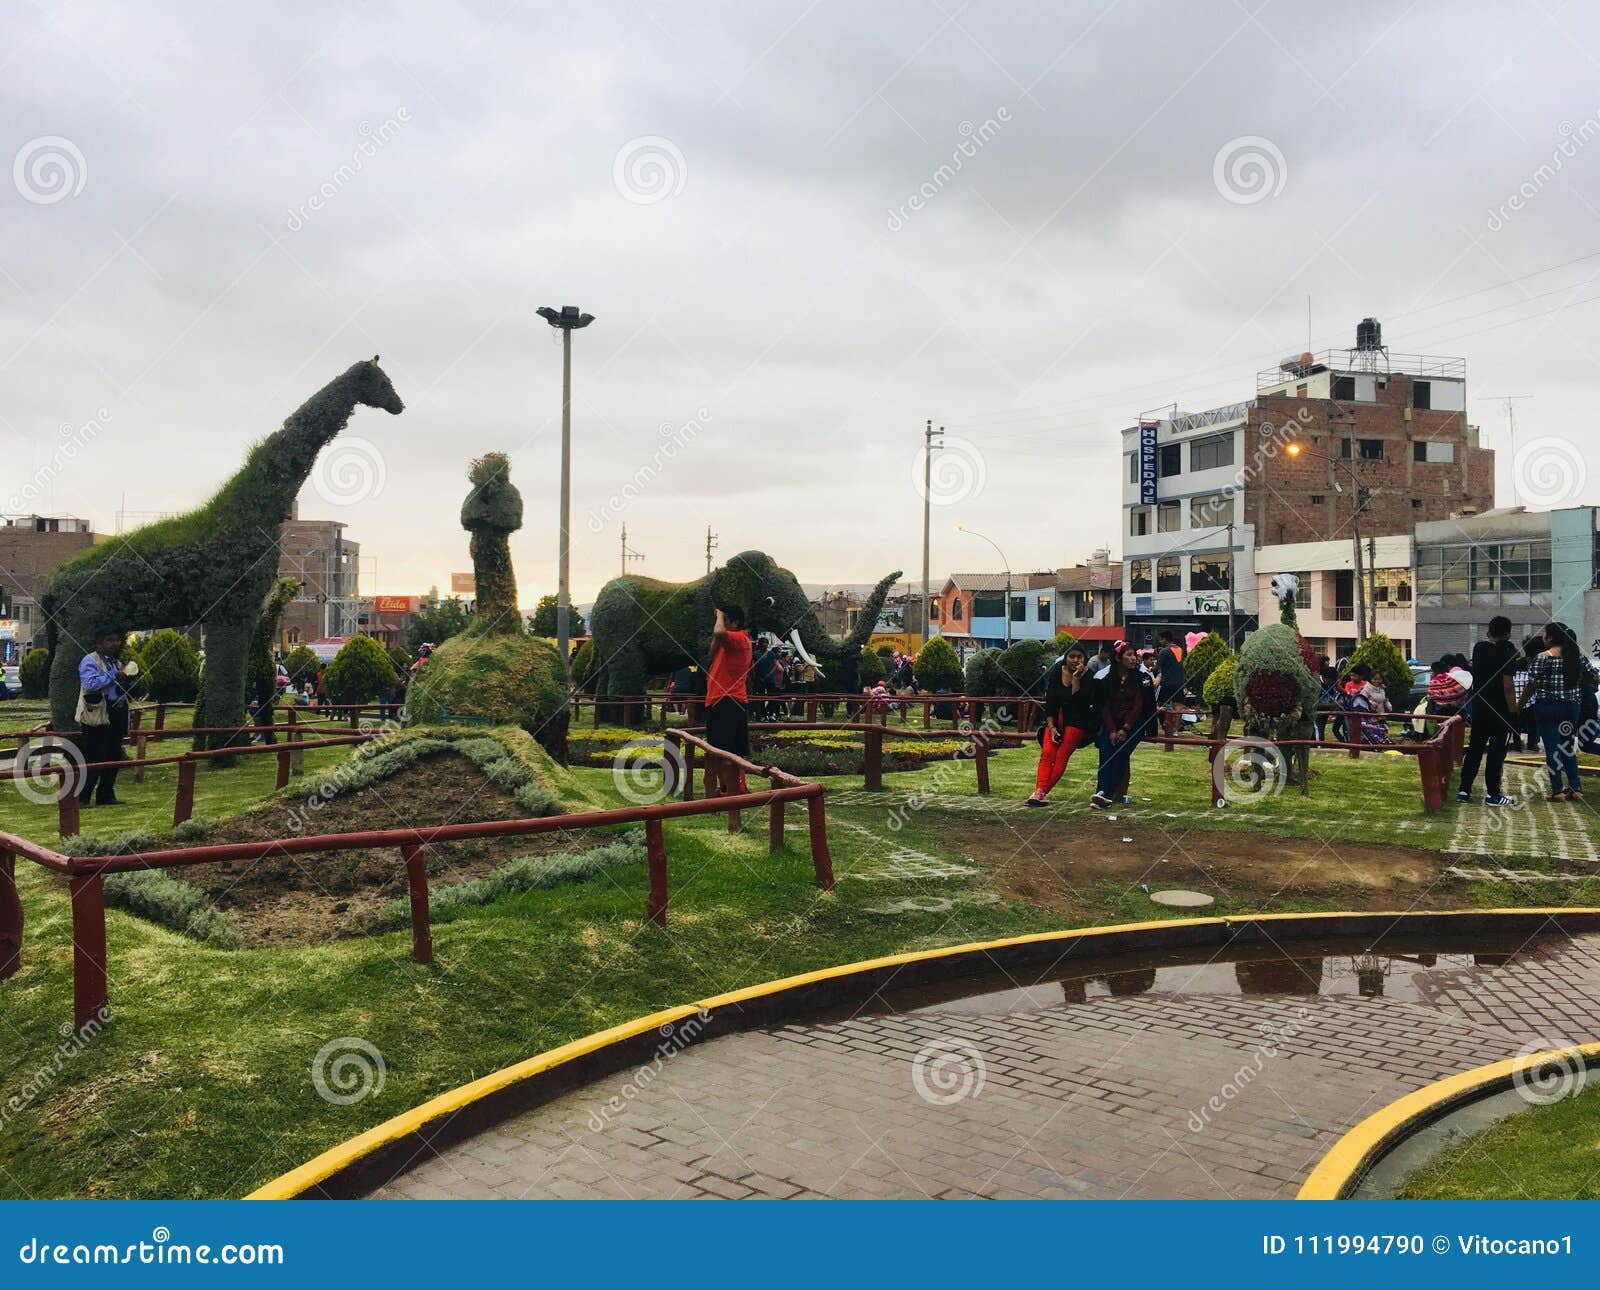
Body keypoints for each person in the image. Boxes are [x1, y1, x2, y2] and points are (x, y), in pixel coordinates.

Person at [1518, 620, 1591, 802]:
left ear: (1550, 638)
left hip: (1548, 708)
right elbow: (1594, 674)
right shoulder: (1576, 655)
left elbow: (1531, 685)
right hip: (1571, 708)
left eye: (1544, 634)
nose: (1543, 637)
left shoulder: (1543, 657)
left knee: (1552, 748)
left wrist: (1519, 705)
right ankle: (1575, 789)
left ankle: (1558, 790)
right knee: (1567, 747)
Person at [1457, 615, 1519, 807]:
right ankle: (1493, 794)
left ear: (1488, 632)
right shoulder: (1509, 653)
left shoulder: (1479, 648)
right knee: (1496, 752)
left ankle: (1464, 790)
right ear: (1508, 634)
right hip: (1500, 709)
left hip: (1481, 707)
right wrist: (1514, 711)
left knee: (1475, 749)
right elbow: (1508, 686)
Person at [1028, 643, 1100, 806]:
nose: (1075, 660)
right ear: (1066, 657)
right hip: (1056, 719)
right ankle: (1039, 791)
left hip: (1077, 721)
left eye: (1079, 657)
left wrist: (1076, 679)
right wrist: (1052, 727)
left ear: (1084, 659)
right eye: (1071, 656)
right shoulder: (1057, 670)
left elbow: (1079, 703)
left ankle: (1041, 792)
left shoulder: (1089, 676)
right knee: (1047, 753)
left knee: (1061, 756)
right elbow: (1051, 701)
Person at [1091, 641, 1156, 809]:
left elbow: (1139, 706)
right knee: (1106, 751)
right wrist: (1112, 729)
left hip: (1134, 724)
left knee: (1120, 753)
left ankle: (1108, 793)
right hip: (1110, 722)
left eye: (1134, 655)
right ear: (1118, 658)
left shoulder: (1142, 679)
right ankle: (1100, 792)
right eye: (1129, 655)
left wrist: (1125, 728)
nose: (1133, 658)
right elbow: (1103, 705)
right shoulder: (1106, 678)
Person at [75, 626, 134, 807]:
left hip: (115, 713)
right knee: (94, 757)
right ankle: (83, 797)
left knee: (113, 756)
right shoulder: (89, 660)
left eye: (116, 640)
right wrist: (112, 676)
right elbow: (90, 684)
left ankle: (106, 795)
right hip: (96, 716)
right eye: (109, 640)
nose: (114, 644)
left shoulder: (115, 662)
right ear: (99, 644)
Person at [704, 605, 753, 796]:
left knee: (722, 753)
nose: (720, 624)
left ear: (734, 622)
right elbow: (713, 648)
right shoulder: (731, 643)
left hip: (725, 701)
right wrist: (721, 617)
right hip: (730, 700)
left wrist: (720, 614)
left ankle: (730, 794)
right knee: (731, 752)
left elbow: (719, 631)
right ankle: (734, 789)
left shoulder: (738, 638)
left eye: (725, 620)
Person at [1154, 631, 1186, 736]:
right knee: (1178, 707)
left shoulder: (1164, 651)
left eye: (1161, 639)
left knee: (1160, 705)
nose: (1160, 641)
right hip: (1179, 682)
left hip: (1167, 683)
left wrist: (1151, 669)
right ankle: (1175, 730)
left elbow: (1158, 667)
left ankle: (1166, 727)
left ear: (1165, 639)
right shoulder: (1180, 649)